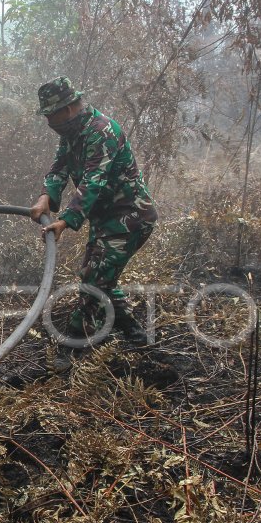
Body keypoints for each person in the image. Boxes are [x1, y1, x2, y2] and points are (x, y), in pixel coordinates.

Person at [29, 76, 158, 370]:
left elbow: (93, 183)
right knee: (99, 275)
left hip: (130, 219)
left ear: (69, 108)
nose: (49, 121)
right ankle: (134, 331)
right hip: (106, 221)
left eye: (51, 114)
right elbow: (59, 167)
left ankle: (75, 343)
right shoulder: (72, 134)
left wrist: (66, 221)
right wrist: (45, 197)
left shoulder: (102, 132)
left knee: (93, 281)